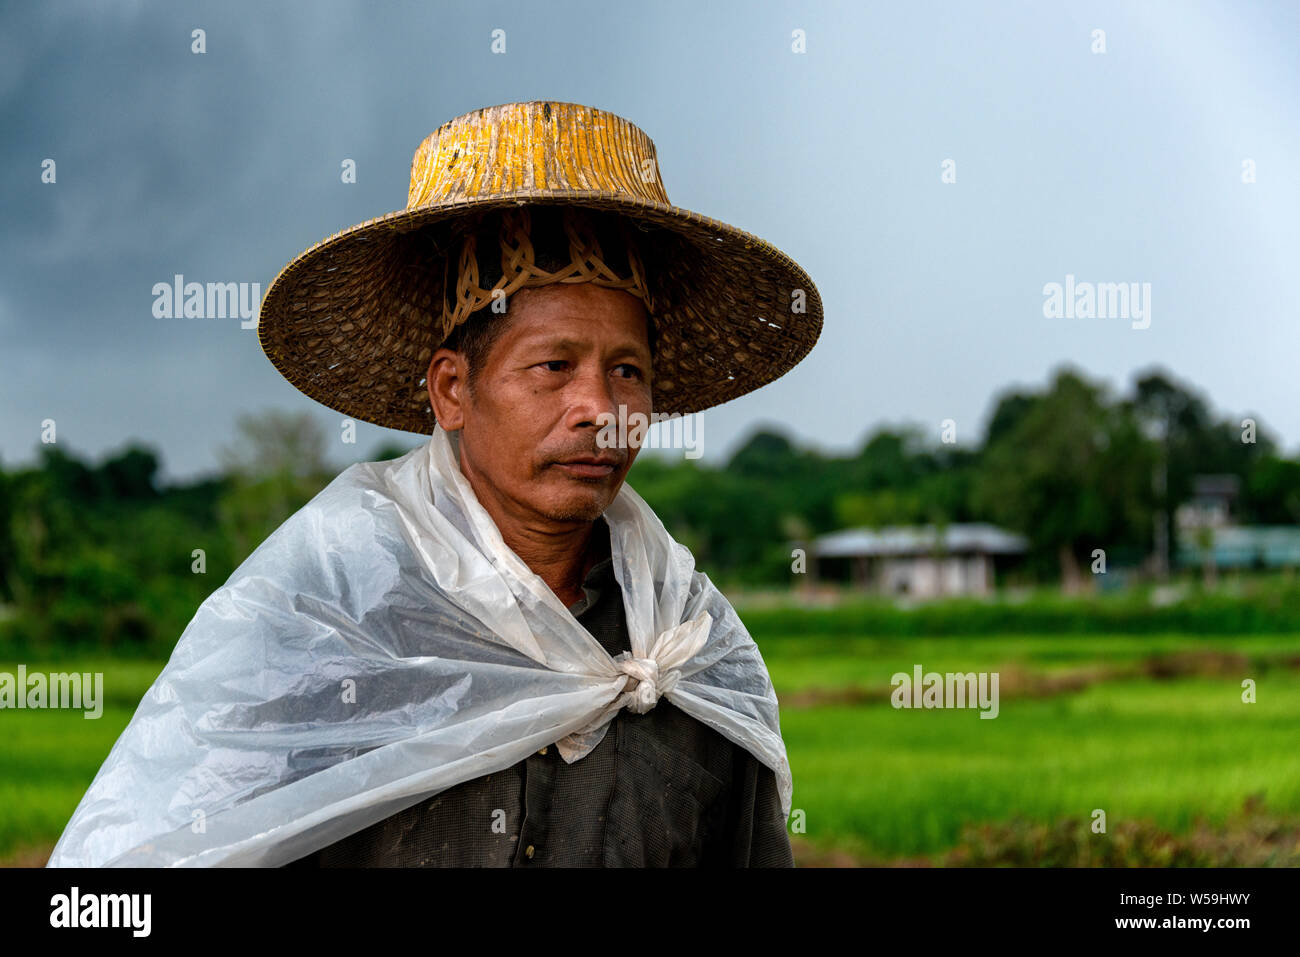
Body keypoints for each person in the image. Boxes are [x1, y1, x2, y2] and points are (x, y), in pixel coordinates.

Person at [47, 101, 823, 869]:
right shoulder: (324, 622)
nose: (598, 409)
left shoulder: (683, 649)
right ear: (453, 389)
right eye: (554, 366)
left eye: (627, 371)